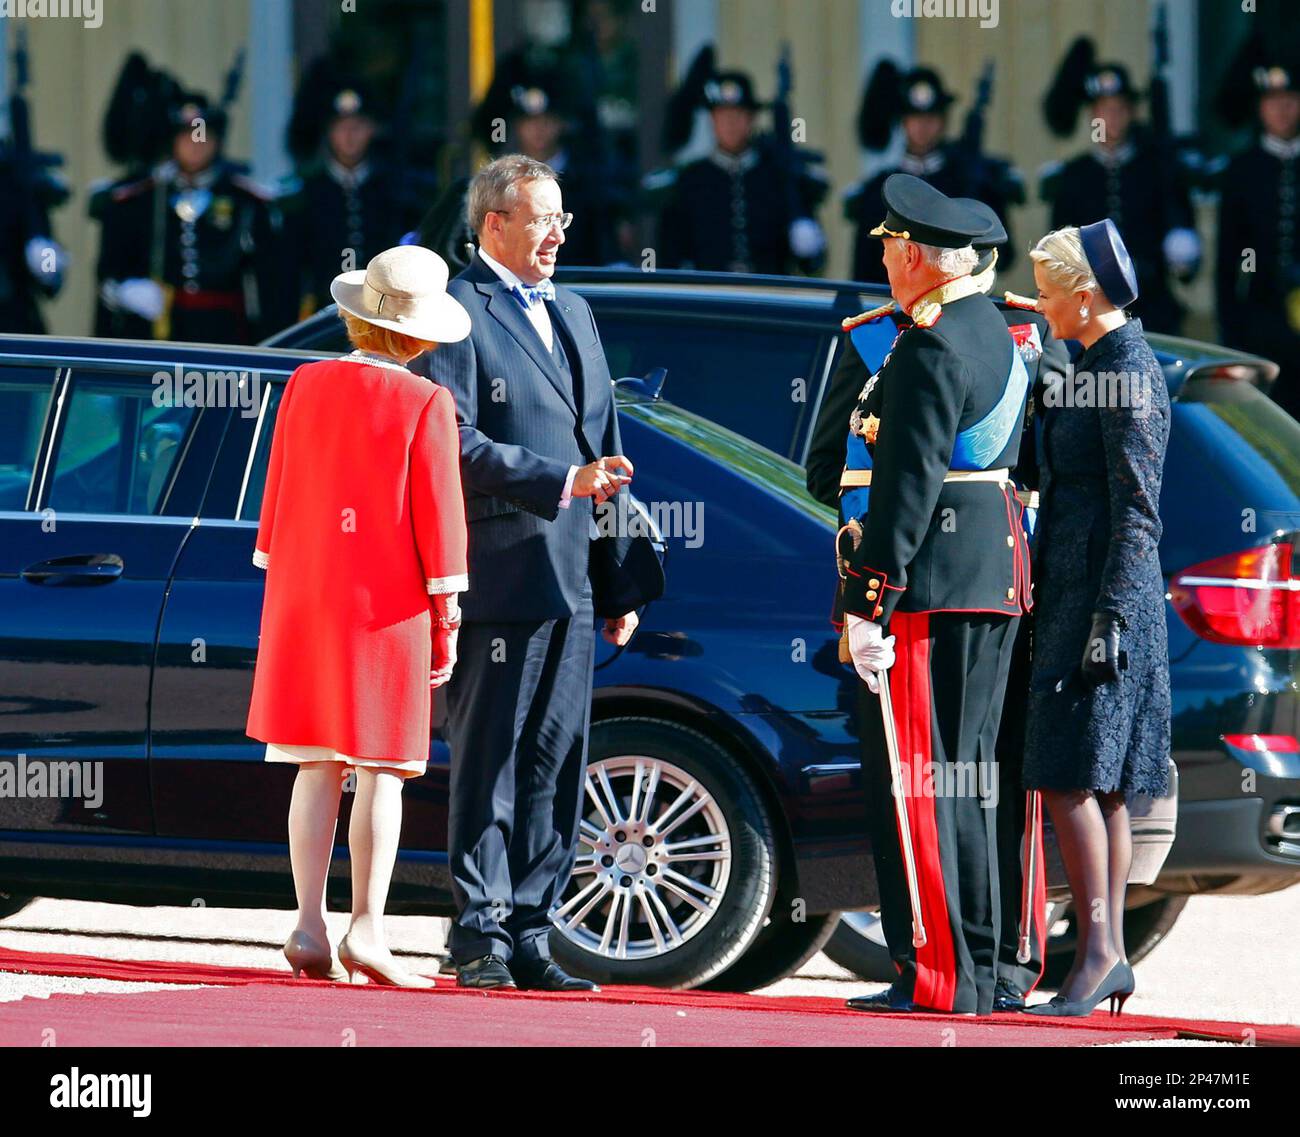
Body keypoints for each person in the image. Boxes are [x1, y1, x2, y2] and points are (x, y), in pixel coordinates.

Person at [432, 154, 661, 991]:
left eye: (562, 216)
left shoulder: (574, 308)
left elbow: (603, 444)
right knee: (490, 758)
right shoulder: (459, 310)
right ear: (494, 223)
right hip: (500, 570)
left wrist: (618, 571)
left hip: (569, 577)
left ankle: (534, 928)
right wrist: (559, 482)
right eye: (540, 217)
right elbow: (452, 441)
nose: (558, 232)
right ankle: (479, 934)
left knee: (556, 762)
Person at [246, 245, 472, 988]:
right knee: (383, 769)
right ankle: (366, 929)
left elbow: (275, 508)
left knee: (316, 763)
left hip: (305, 591)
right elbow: (438, 525)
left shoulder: (304, 382)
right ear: (420, 337)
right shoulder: (427, 402)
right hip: (387, 602)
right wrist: (447, 616)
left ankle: (306, 921)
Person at [838, 174, 1033, 1017]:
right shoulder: (996, 328)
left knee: (924, 780)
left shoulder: (929, 344)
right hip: (991, 577)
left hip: (931, 585)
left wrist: (869, 599)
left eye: (887, 246)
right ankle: (986, 968)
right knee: (970, 777)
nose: (881, 258)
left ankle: (942, 975)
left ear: (917, 256)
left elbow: (907, 486)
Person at [1021, 221, 1171, 1016]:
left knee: (1070, 776)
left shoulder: (1130, 369)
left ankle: (1101, 952)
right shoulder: (1094, 362)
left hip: (1106, 599)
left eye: (1048, 293)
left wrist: (1110, 613)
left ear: (1085, 296)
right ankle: (1100, 955)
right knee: (1094, 782)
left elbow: (1138, 510)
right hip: (1081, 589)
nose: (1042, 305)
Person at [93, 92, 294, 344]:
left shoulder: (246, 202)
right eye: (187, 135)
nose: (195, 143)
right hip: (155, 339)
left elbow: (273, 286)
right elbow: (107, 277)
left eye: (203, 135)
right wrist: (125, 292)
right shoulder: (139, 201)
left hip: (226, 339)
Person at [1040, 37, 1199, 335]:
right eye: (1104, 109)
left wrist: (1184, 259)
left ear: (1132, 112)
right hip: (1093, 311)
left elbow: (1185, 248)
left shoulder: (1157, 168)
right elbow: (1058, 249)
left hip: (1152, 305)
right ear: (1092, 115)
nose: (1112, 117)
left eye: (1120, 108)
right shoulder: (1074, 176)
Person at [846, 62, 1022, 285]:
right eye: (914, 117)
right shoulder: (879, 190)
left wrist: (979, 190)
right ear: (903, 121)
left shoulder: (968, 177)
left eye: (931, 117)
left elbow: (1003, 258)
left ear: (943, 121)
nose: (923, 126)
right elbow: (863, 272)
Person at [653, 70, 828, 275]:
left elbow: (813, 264)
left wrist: (808, 244)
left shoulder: (779, 176)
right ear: (712, 120)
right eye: (722, 115)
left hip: (772, 297)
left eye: (739, 114)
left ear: (751, 119)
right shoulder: (689, 181)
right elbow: (669, 259)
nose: (731, 123)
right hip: (709, 298)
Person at [283, 72, 427, 317]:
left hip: (384, 314)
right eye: (341, 126)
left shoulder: (393, 190)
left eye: (358, 126)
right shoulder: (307, 193)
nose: (349, 135)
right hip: (323, 316)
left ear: (372, 130)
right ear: (329, 132)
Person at [1215, 48, 1300, 419]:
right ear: (1260, 107)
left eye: (1290, 100)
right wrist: (1232, 334)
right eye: (1272, 101)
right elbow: (1227, 258)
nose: (1281, 109)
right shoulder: (1242, 169)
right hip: (1261, 319)